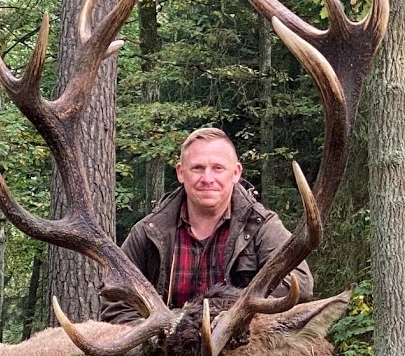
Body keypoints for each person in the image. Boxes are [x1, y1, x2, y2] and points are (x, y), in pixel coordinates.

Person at [100, 126, 314, 325]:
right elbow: (116, 301)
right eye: (198, 168)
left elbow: (299, 283)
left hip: (239, 348)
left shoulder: (259, 226)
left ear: (236, 172)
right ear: (181, 173)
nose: (207, 178)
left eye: (218, 168)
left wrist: (228, 312)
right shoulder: (149, 232)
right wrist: (154, 339)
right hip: (166, 352)